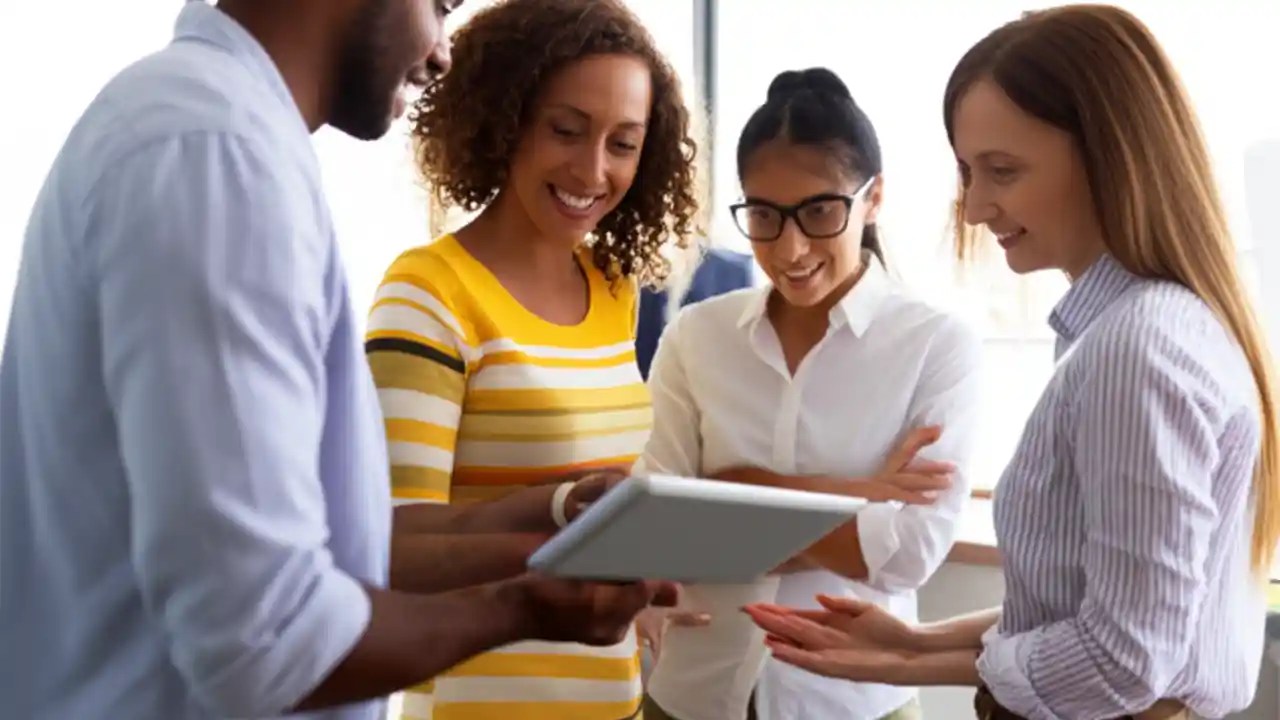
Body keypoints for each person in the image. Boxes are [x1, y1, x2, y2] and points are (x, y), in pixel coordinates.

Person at [0, 1, 679, 719]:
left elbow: (338, 546)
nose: (441, 52)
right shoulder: (214, 150)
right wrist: (525, 607)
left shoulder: (214, 133)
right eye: (438, 5)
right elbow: (267, 636)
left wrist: (556, 521)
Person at [745, 6, 1280, 720]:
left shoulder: (1139, 348)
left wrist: (925, 660)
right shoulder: (1143, 329)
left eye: (1002, 170)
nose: (973, 209)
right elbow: (1090, 616)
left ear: (1107, 157)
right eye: (968, 173)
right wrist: (911, 645)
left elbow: (1122, 659)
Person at [363, 1, 699, 718]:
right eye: (566, 130)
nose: (593, 169)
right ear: (506, 117)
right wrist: (557, 517)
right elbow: (391, 545)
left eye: (623, 143)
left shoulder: (614, 289)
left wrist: (637, 595)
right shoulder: (429, 294)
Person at [635, 68, 983, 720]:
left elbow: (908, 554)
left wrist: (733, 490)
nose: (789, 248)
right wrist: (858, 495)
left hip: (854, 703)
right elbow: (659, 537)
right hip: (692, 696)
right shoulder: (697, 336)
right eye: (764, 216)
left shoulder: (936, 346)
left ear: (873, 198)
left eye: (820, 211)